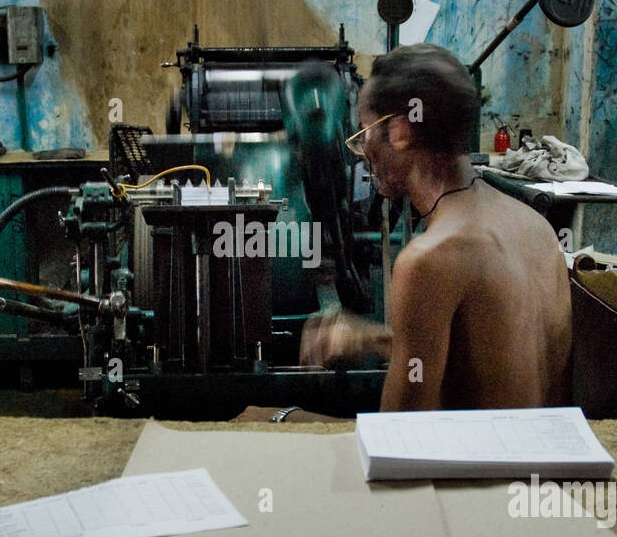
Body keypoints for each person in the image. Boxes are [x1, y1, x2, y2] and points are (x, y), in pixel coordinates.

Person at [238, 43, 571, 422]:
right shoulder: (534, 226)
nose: (364, 151)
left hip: (477, 475)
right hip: (533, 467)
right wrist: (374, 338)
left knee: (253, 420)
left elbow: (398, 446)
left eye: (365, 134)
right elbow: (490, 356)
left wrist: (283, 418)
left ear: (398, 131)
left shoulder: (430, 258)